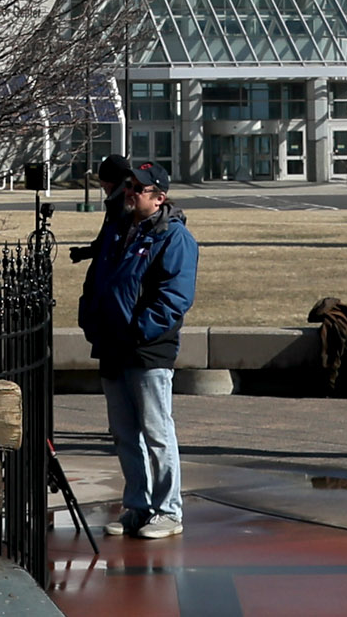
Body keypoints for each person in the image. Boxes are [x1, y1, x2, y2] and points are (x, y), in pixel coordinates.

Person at [77, 168, 198, 539]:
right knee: (124, 433)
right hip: (112, 347)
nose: (130, 193)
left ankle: (168, 510)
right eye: (128, 186)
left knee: (157, 431)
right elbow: (98, 279)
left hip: (147, 351)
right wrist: (90, 318)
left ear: (159, 197)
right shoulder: (118, 229)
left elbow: (175, 297)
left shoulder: (174, 237)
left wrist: (139, 331)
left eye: (139, 189)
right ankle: (138, 506)